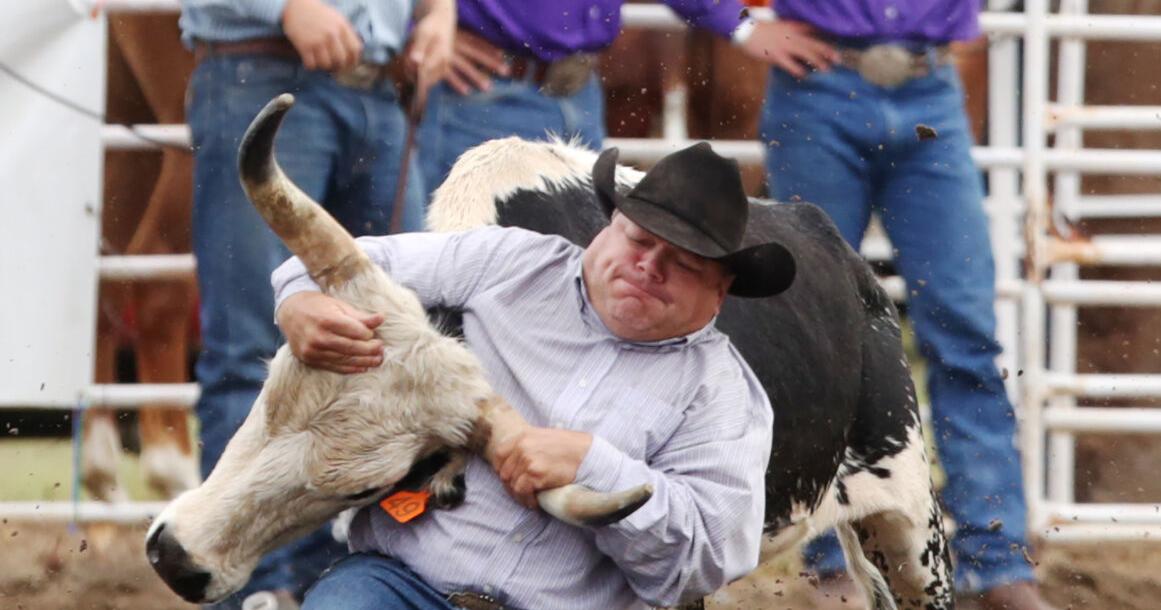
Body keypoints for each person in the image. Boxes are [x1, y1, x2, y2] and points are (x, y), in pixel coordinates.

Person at [272, 144, 788, 609]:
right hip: (398, 586)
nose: (649, 266)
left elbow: (707, 558)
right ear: (606, 229)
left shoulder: (721, 394)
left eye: (684, 263)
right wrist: (299, 301)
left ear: (719, 294)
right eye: (639, 240)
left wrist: (594, 465)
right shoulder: (509, 262)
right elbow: (354, 263)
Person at [741, 2, 1059, 609]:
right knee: (819, 330)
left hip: (928, 85)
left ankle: (995, 564)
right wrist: (736, 23)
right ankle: (833, 559)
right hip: (822, 84)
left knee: (964, 330)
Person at [178, 0, 454, 606]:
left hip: (378, 92)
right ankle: (257, 585)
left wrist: (438, 14)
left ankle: (342, 577)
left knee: (392, 344)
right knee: (253, 345)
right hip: (265, 69)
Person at [416, 0, 759, 198]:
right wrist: (413, 27)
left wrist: (745, 25)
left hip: (580, 93)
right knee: (466, 263)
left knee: (576, 261)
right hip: (483, 92)